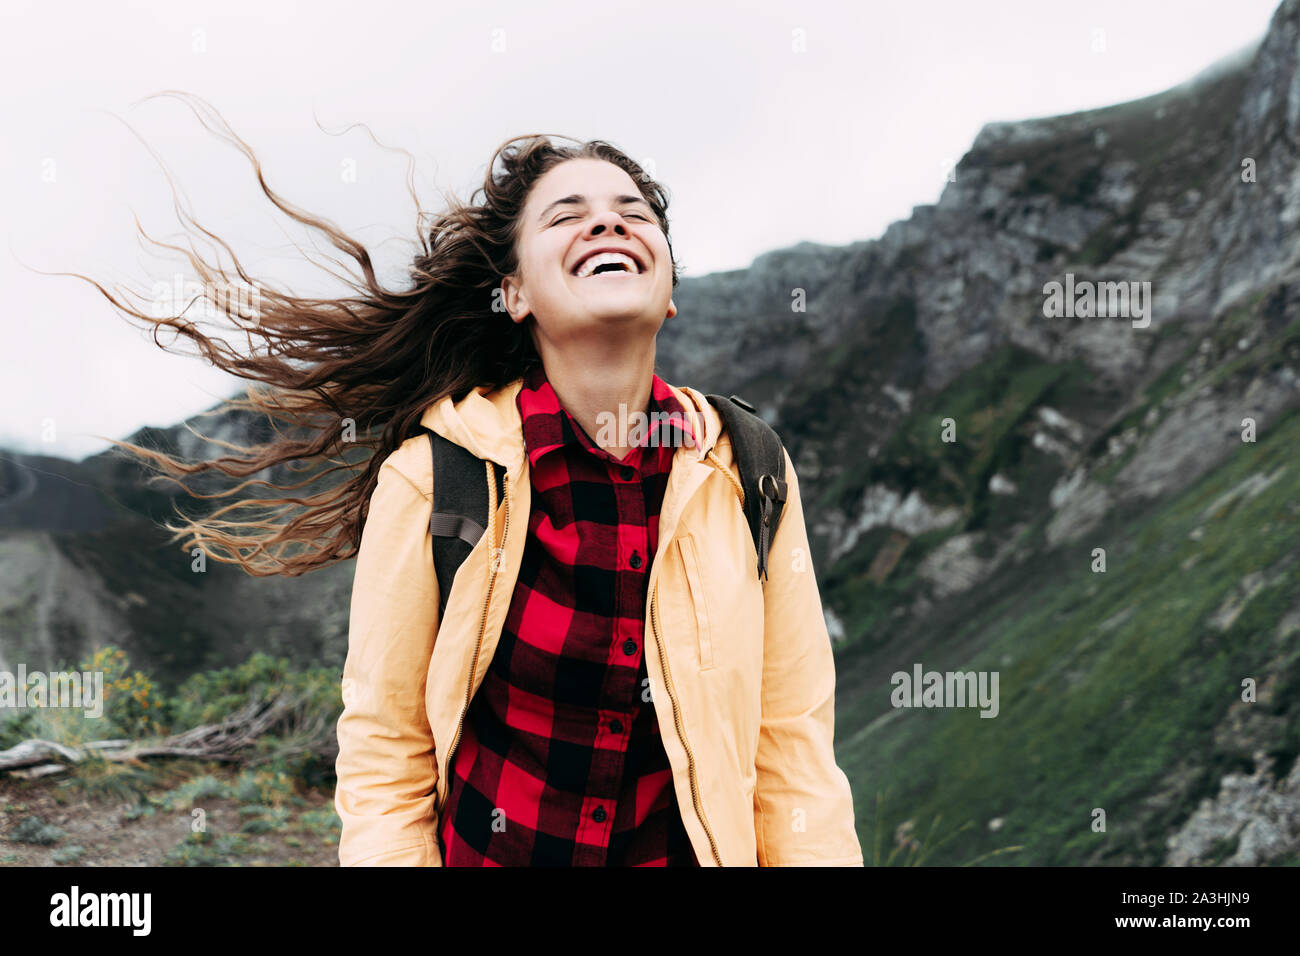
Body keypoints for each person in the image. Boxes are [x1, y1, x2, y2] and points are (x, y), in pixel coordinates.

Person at [79, 95, 861, 865]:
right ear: (513, 294)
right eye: (566, 215)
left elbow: (791, 745)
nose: (609, 222)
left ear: (670, 290)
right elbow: (387, 748)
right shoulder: (436, 476)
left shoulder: (749, 466)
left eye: (633, 211)